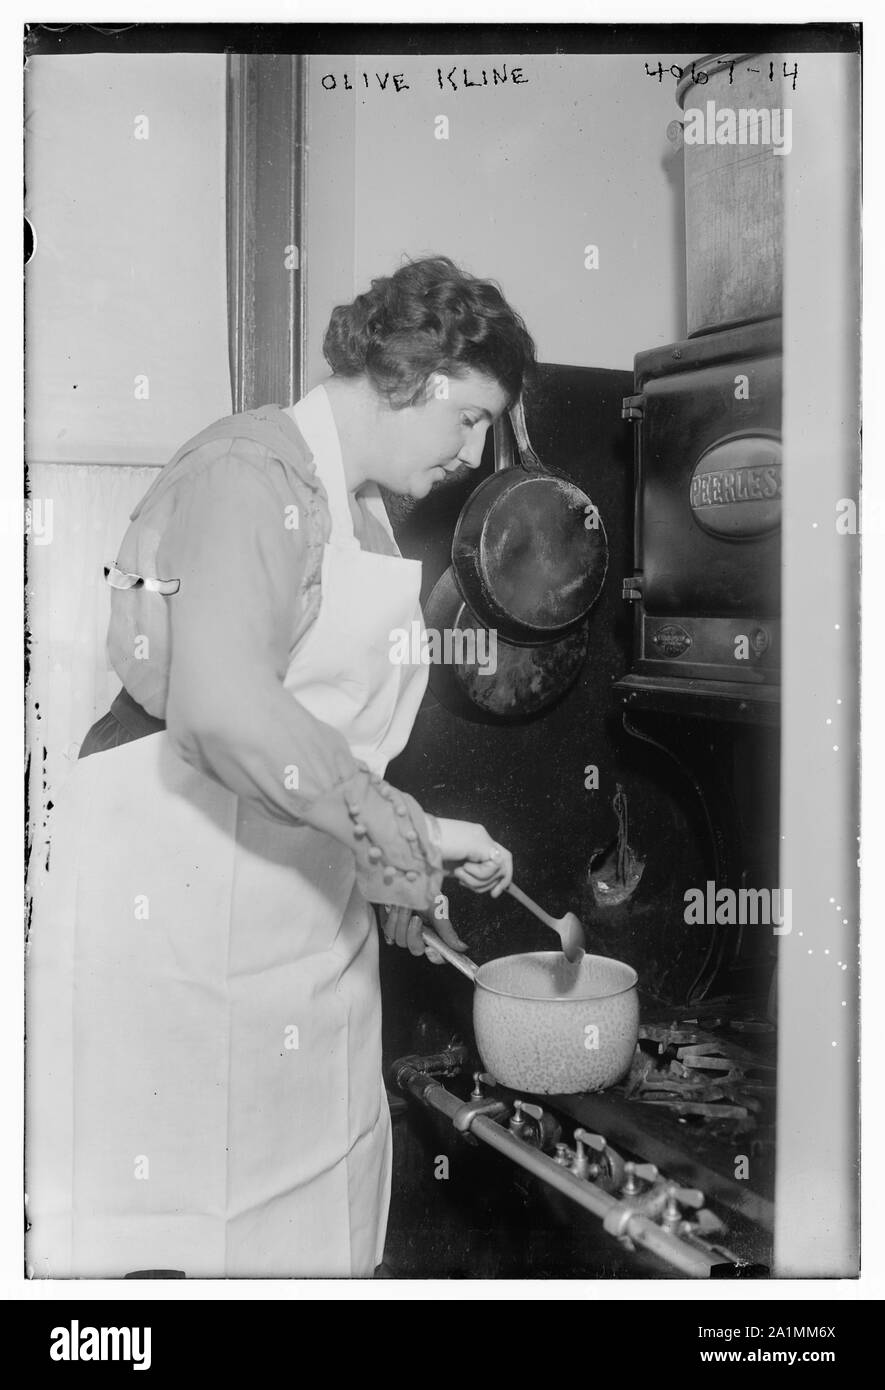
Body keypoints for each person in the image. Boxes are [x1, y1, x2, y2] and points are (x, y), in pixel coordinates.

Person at [25, 256, 536, 1279]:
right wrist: (399, 833)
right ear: (411, 373)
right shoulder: (248, 475)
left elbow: (315, 736)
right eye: (472, 419)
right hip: (175, 921)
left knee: (302, 1224)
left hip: (292, 936)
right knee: (185, 1237)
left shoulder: (360, 508)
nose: (476, 456)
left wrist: (411, 856)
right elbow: (222, 706)